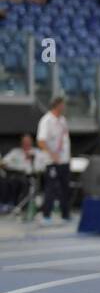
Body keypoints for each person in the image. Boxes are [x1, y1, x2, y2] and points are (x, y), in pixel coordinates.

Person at [36, 95, 72, 224]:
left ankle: (65, 214)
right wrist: (52, 155)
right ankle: (46, 215)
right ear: (57, 105)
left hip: (64, 160)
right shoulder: (46, 120)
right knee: (51, 188)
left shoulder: (62, 120)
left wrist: (67, 157)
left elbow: (65, 140)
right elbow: (41, 141)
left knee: (65, 188)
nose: (64, 107)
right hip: (52, 161)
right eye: (62, 104)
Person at [1, 134, 47, 214]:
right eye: (24, 141)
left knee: (24, 182)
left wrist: (32, 160)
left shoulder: (37, 153)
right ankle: (7, 205)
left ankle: (23, 207)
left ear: (32, 142)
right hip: (15, 174)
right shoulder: (15, 152)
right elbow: (4, 162)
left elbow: (43, 166)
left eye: (28, 141)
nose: (26, 143)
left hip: (32, 176)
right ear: (21, 142)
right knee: (7, 182)